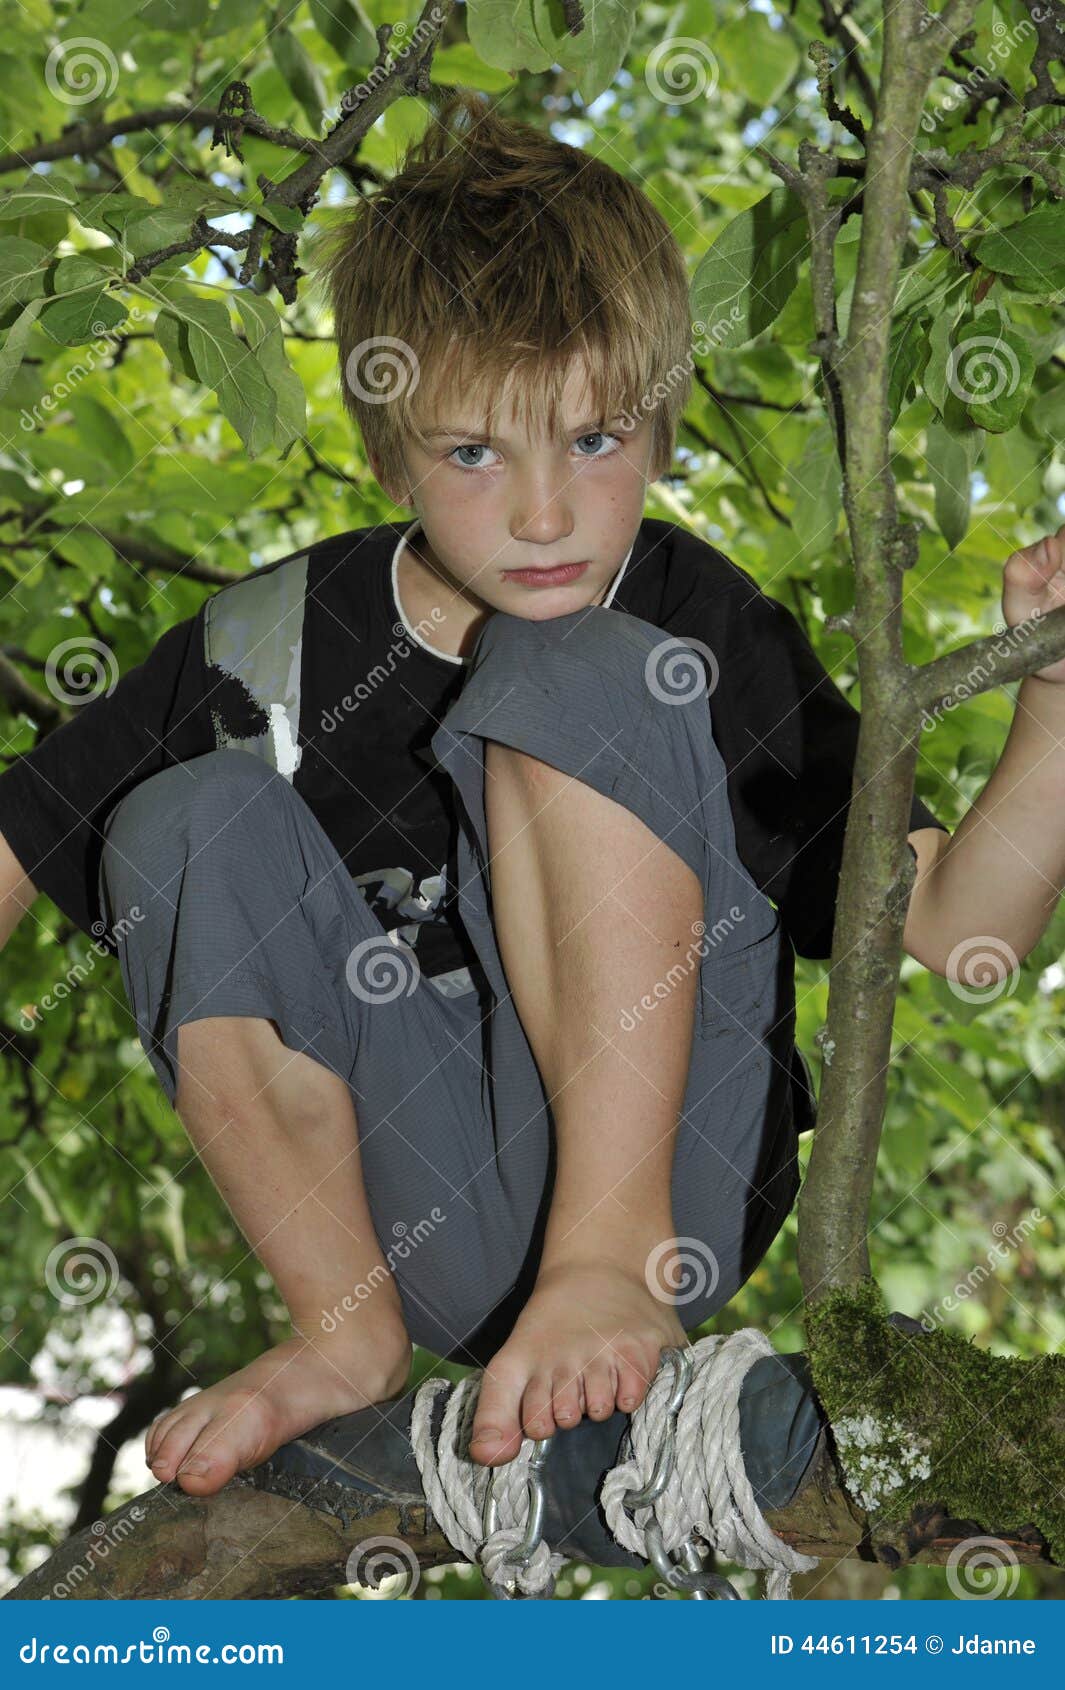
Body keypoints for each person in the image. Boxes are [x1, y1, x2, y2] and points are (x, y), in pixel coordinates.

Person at [0, 91, 950, 1500]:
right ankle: (339, 1332)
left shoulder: (700, 623)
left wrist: (1051, 706)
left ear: (662, 425)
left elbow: (940, 921)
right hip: (428, 1228)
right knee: (177, 821)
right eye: (472, 454)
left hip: (675, 1181)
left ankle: (602, 1261)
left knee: (572, 662)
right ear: (391, 453)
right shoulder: (266, 646)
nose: (546, 512)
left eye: (593, 438)